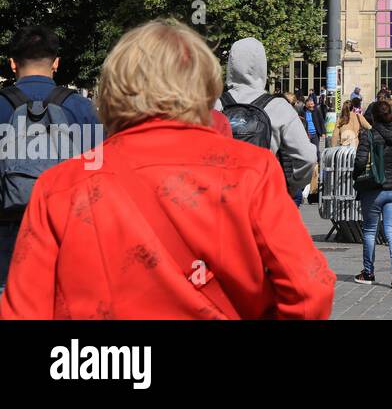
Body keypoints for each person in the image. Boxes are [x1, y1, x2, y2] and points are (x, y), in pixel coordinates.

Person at [0, 20, 334, 319]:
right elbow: (310, 291)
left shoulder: (60, 186)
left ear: (114, 89)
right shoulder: (251, 171)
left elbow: (24, 311)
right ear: (203, 87)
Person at [0, 26, 101, 291]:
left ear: (12, 64)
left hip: (6, 232)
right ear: (56, 63)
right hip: (66, 232)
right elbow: (98, 174)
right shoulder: (83, 108)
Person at [215, 37, 316, 201]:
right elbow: (307, 157)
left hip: (220, 204)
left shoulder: (213, 105)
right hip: (262, 201)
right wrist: (291, 187)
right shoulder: (278, 107)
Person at [352, 100, 392, 288]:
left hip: (374, 189)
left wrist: (357, 177)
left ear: (373, 116)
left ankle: (368, 272)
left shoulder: (369, 135)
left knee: (370, 230)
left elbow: (359, 163)